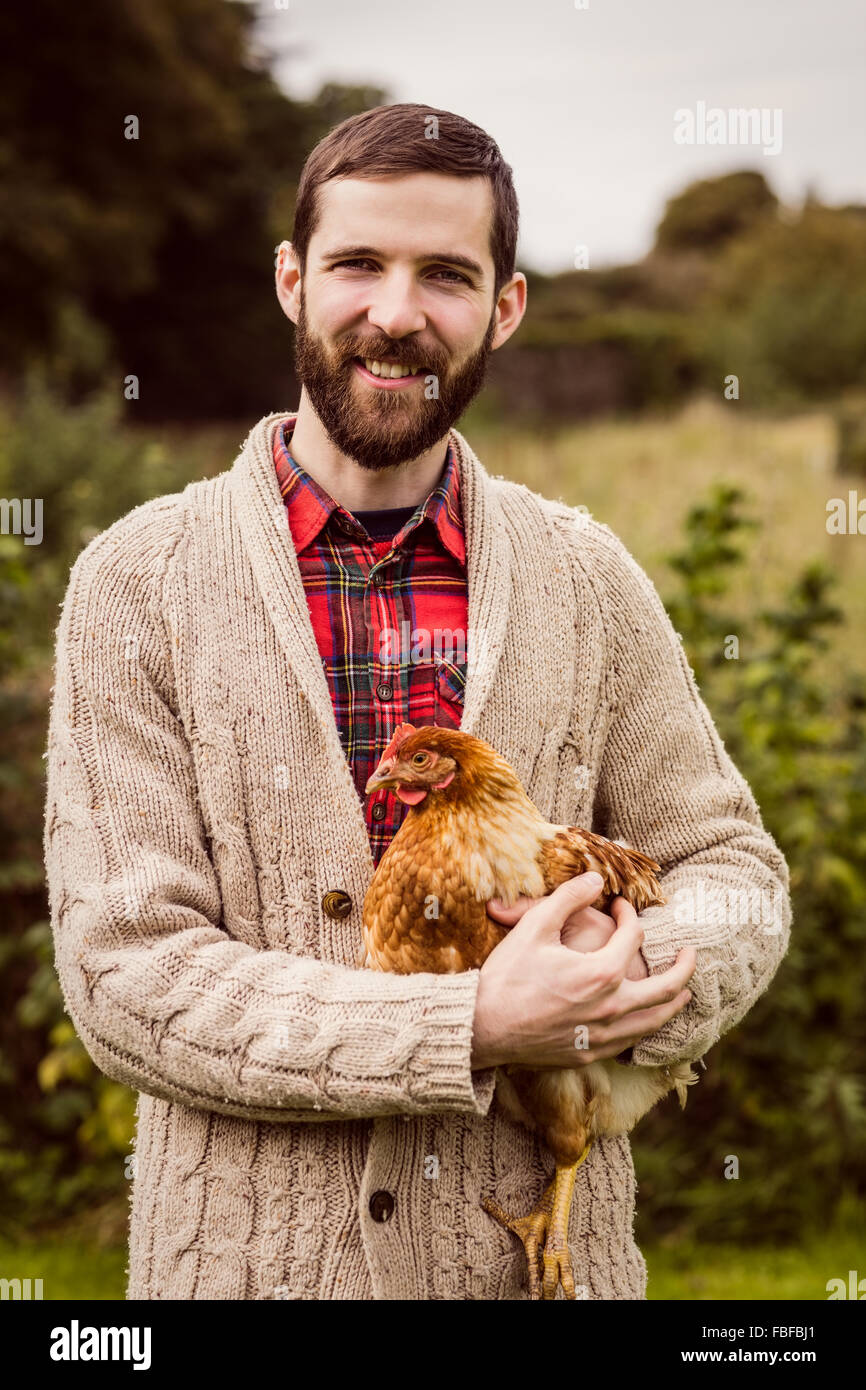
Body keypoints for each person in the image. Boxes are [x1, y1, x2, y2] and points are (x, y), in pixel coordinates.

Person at [43, 102, 791, 1301]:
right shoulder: (137, 583)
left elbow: (732, 865)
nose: (395, 314)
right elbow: (126, 976)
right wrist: (476, 1024)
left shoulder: (586, 578)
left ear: (503, 308)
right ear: (291, 281)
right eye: (355, 264)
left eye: (444, 273)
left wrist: (629, 968)